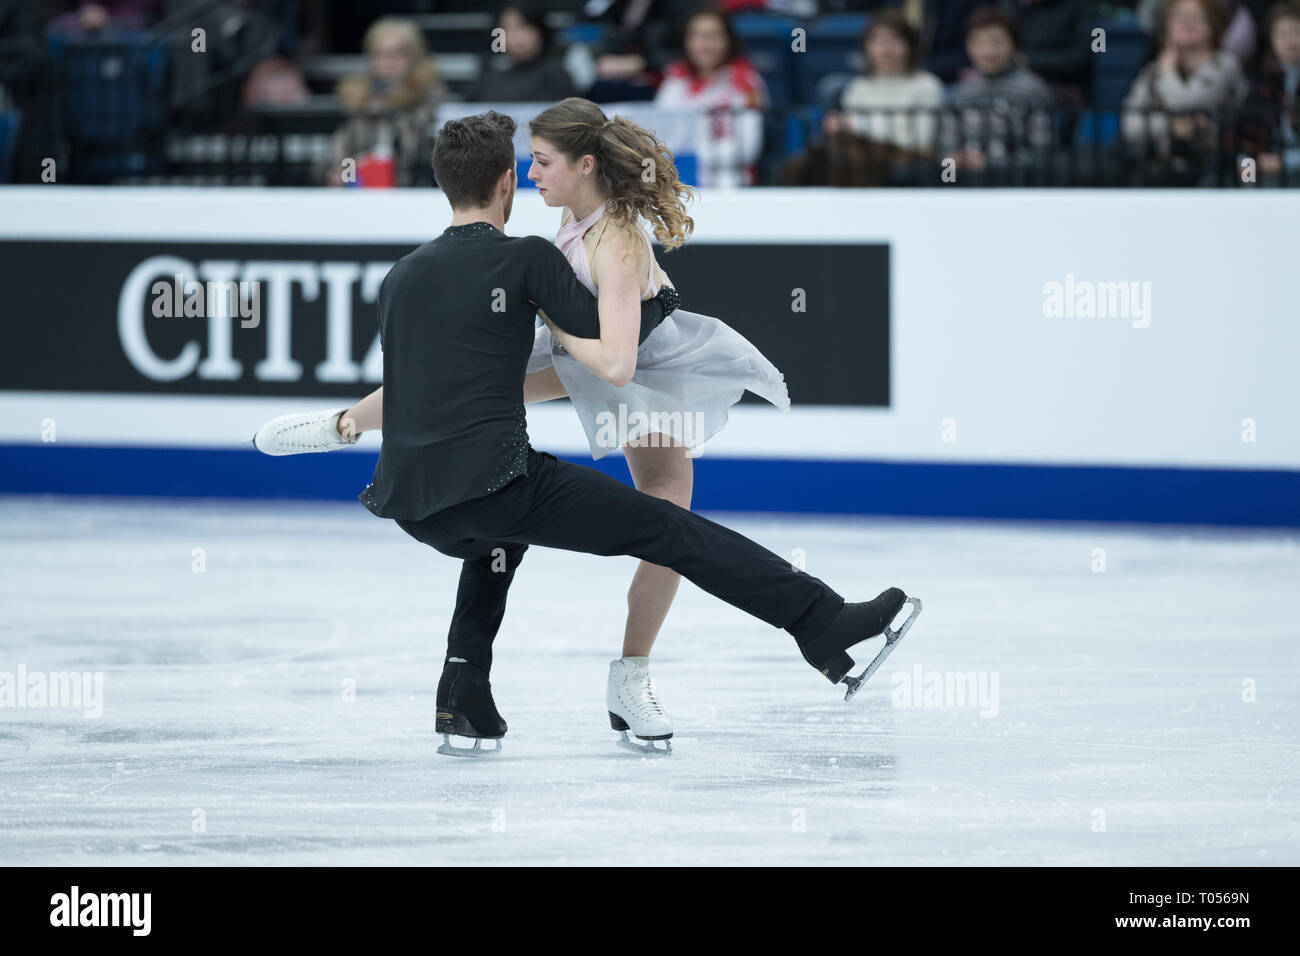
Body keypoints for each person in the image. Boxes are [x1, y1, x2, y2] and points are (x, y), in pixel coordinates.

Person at [255, 111, 919, 757]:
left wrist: (349, 422)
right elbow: (607, 354)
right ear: (506, 183)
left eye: (545, 159)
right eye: (530, 164)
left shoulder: (404, 276)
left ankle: (463, 692)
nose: (534, 173)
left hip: (409, 500)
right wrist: (648, 308)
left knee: (495, 544)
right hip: (503, 475)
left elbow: (447, 382)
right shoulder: (530, 258)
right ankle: (820, 623)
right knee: (667, 527)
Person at [1123, 0, 1249, 184]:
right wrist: (1169, 127)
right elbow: (1130, 123)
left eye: (1196, 17)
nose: (1187, 23)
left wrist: (1168, 73)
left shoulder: (1226, 64)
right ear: (1166, 25)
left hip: (1214, 167)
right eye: (1179, 17)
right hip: (1161, 166)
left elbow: (1188, 105)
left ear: (1214, 23)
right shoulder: (1153, 71)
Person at [653, 7, 767, 187]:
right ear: (686, 41)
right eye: (697, 36)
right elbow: (659, 140)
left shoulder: (746, 81)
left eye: (714, 35)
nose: (705, 44)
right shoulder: (674, 81)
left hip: (731, 184)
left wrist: (698, 153)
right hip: (679, 185)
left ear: (728, 40)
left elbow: (749, 149)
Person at [324, 17, 442, 188]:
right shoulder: (359, 101)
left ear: (414, 57)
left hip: (415, 194)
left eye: (396, 54)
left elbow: (430, 154)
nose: (387, 62)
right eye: (379, 54)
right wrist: (349, 171)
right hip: (363, 195)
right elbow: (339, 154)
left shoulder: (431, 100)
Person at [1237, 0, 1300, 183]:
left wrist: (1285, 161)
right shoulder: (1262, 83)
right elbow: (1244, 137)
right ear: (1271, 40)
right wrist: (1249, 163)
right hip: (1267, 164)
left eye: (1297, 32)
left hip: (1291, 164)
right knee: (1247, 176)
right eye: (1283, 34)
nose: (1291, 40)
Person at [467, 1, 577, 103]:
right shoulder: (490, 75)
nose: (516, 36)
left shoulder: (557, 75)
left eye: (523, 26)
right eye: (507, 28)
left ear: (540, 30)